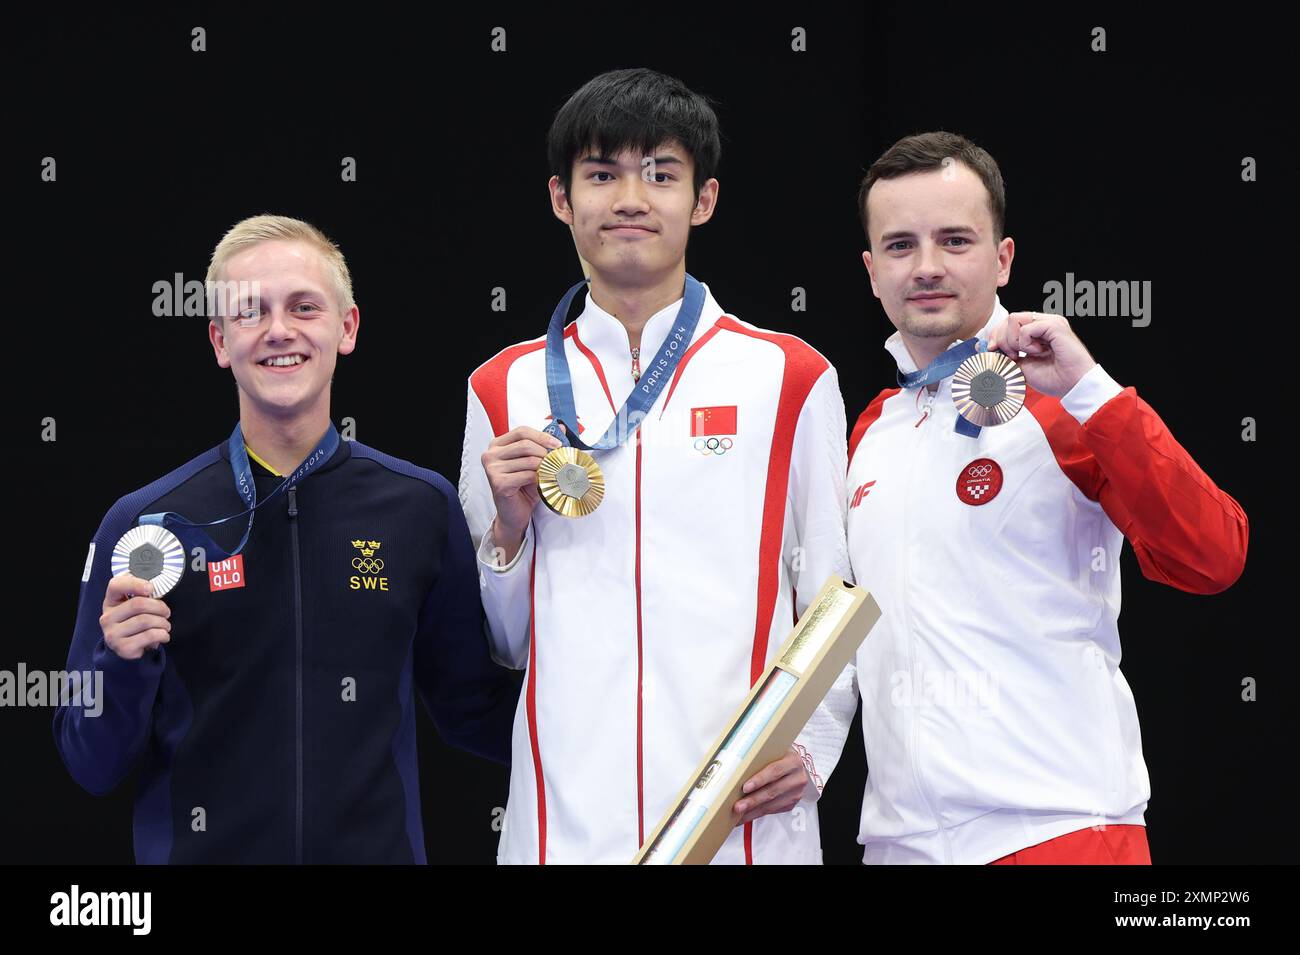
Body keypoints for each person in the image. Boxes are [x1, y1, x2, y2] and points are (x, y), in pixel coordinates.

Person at [459, 68, 853, 863]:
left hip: (742, 825)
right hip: (562, 827)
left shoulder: (791, 376)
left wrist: (810, 750)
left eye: (661, 174)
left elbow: (834, 596)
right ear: (561, 199)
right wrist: (507, 530)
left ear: (703, 200)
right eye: (601, 174)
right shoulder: (503, 386)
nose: (631, 198)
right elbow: (504, 642)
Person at [836, 131, 1249, 864]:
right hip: (899, 842)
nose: (926, 266)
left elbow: (1213, 555)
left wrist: (1094, 392)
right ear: (871, 272)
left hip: (1057, 829)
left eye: (955, 240)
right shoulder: (873, 427)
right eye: (900, 245)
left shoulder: (1068, 398)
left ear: (1003, 259)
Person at [54, 214, 519, 863]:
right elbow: (89, 761)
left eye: (304, 307)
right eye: (251, 312)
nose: (279, 330)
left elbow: (480, 712)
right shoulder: (142, 526)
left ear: (346, 327)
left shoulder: (419, 506)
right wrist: (122, 665)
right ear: (219, 339)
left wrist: (637, 730)